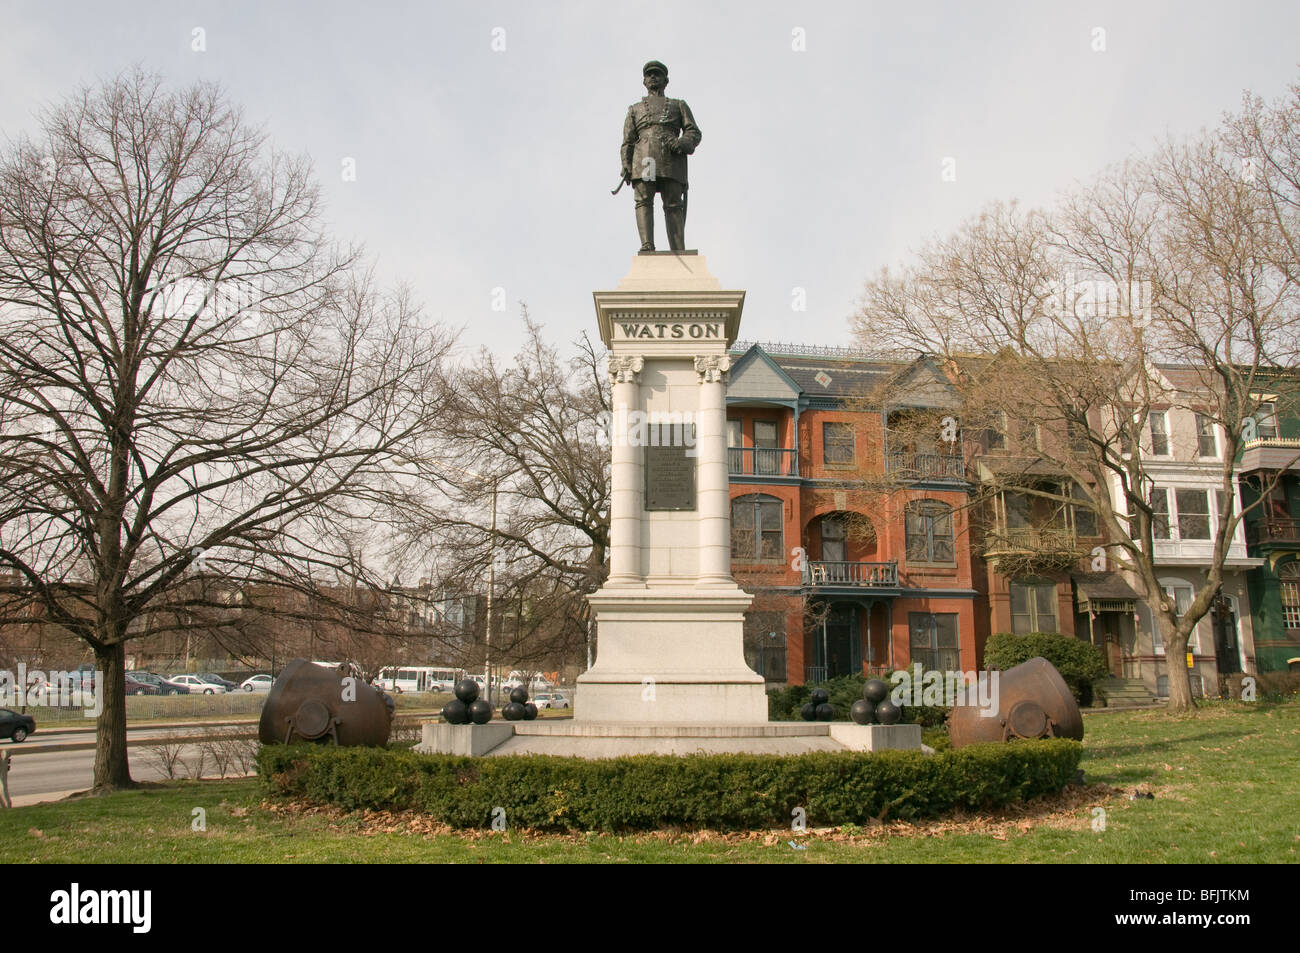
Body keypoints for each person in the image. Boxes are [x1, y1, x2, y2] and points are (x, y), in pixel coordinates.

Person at [620, 61, 701, 252]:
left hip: (670, 157)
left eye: (657, 74)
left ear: (666, 80)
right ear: (644, 81)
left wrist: (682, 142)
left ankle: (678, 248)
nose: (653, 77)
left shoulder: (678, 105)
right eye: (649, 75)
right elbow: (628, 141)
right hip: (644, 158)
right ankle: (647, 245)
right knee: (643, 199)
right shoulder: (634, 109)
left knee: (673, 203)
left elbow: (693, 132)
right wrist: (626, 164)